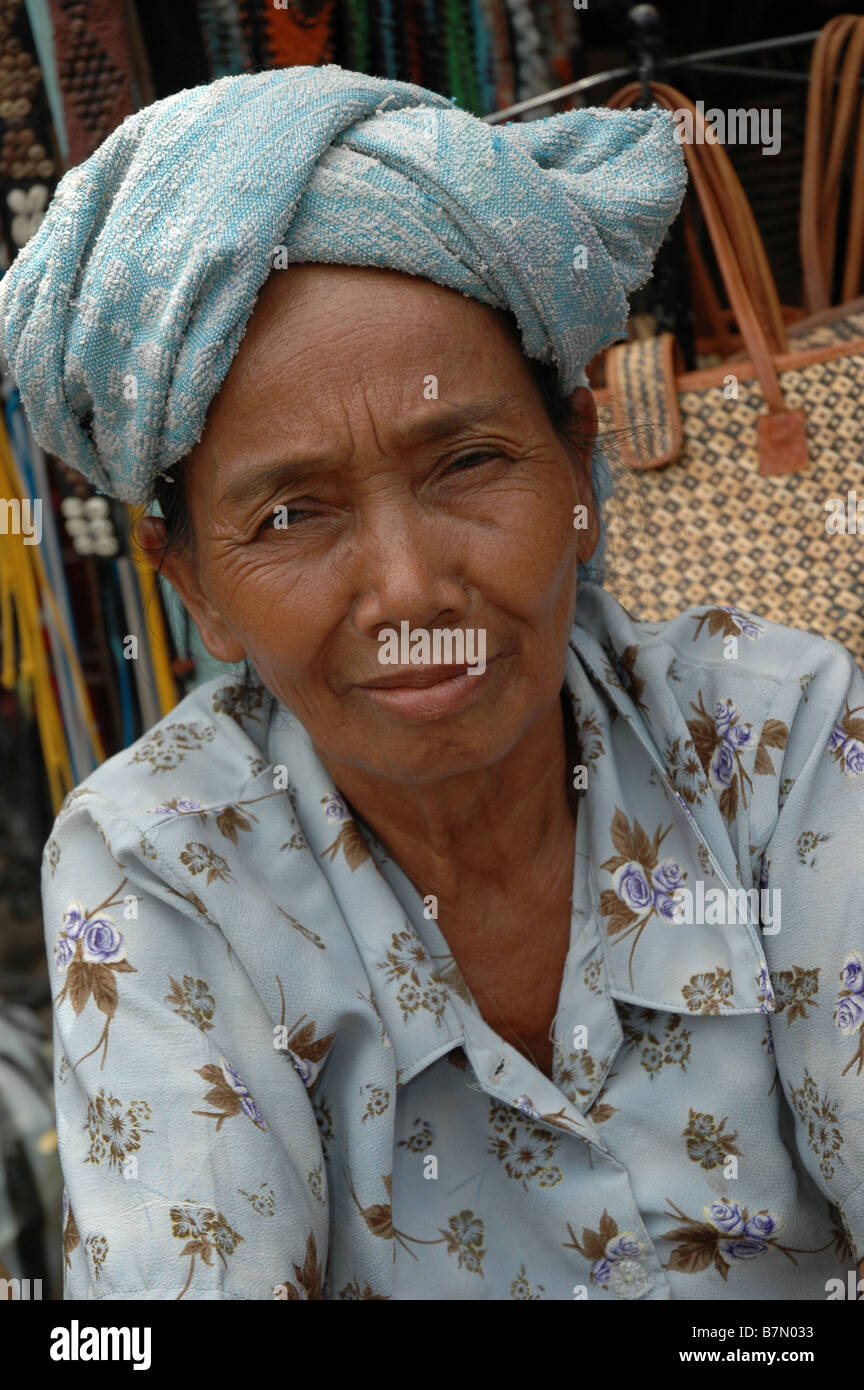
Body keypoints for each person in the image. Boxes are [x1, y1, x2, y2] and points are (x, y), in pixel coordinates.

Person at [1, 64, 862, 1302]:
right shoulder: (160, 872)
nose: (408, 591)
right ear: (191, 585)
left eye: (465, 460)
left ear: (579, 464)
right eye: (292, 513)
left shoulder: (777, 741)